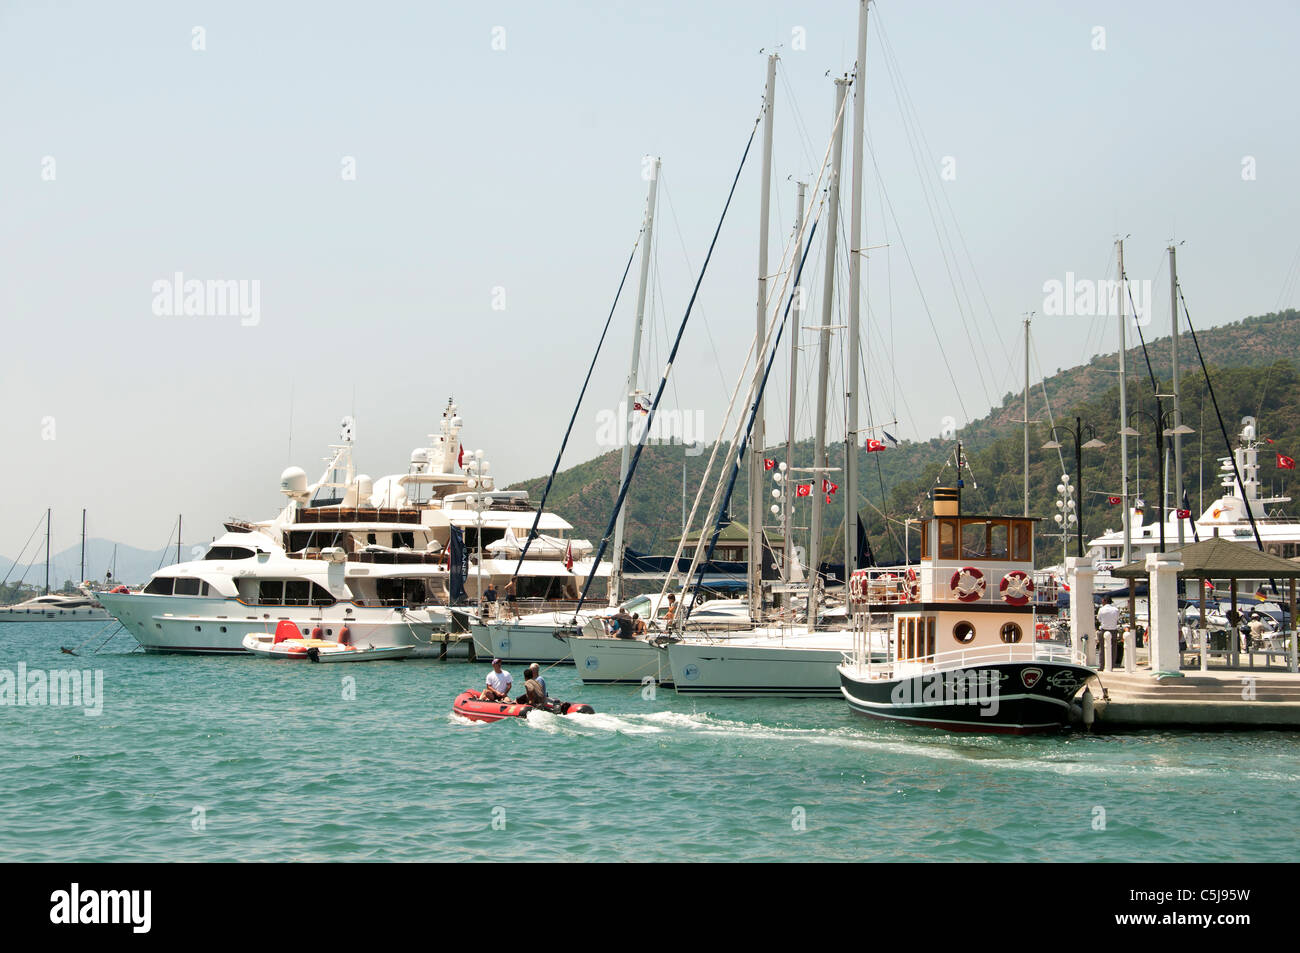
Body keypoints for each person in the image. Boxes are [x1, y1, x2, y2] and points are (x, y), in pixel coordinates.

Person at [1096, 598, 1120, 669]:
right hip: (1114, 630)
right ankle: (1112, 665)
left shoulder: (1101, 609)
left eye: (1102, 600)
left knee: (1102, 648)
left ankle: (1102, 666)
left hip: (1104, 630)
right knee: (1114, 648)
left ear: (1105, 601)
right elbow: (1117, 619)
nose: (1102, 602)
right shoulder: (1116, 609)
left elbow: (1099, 619)